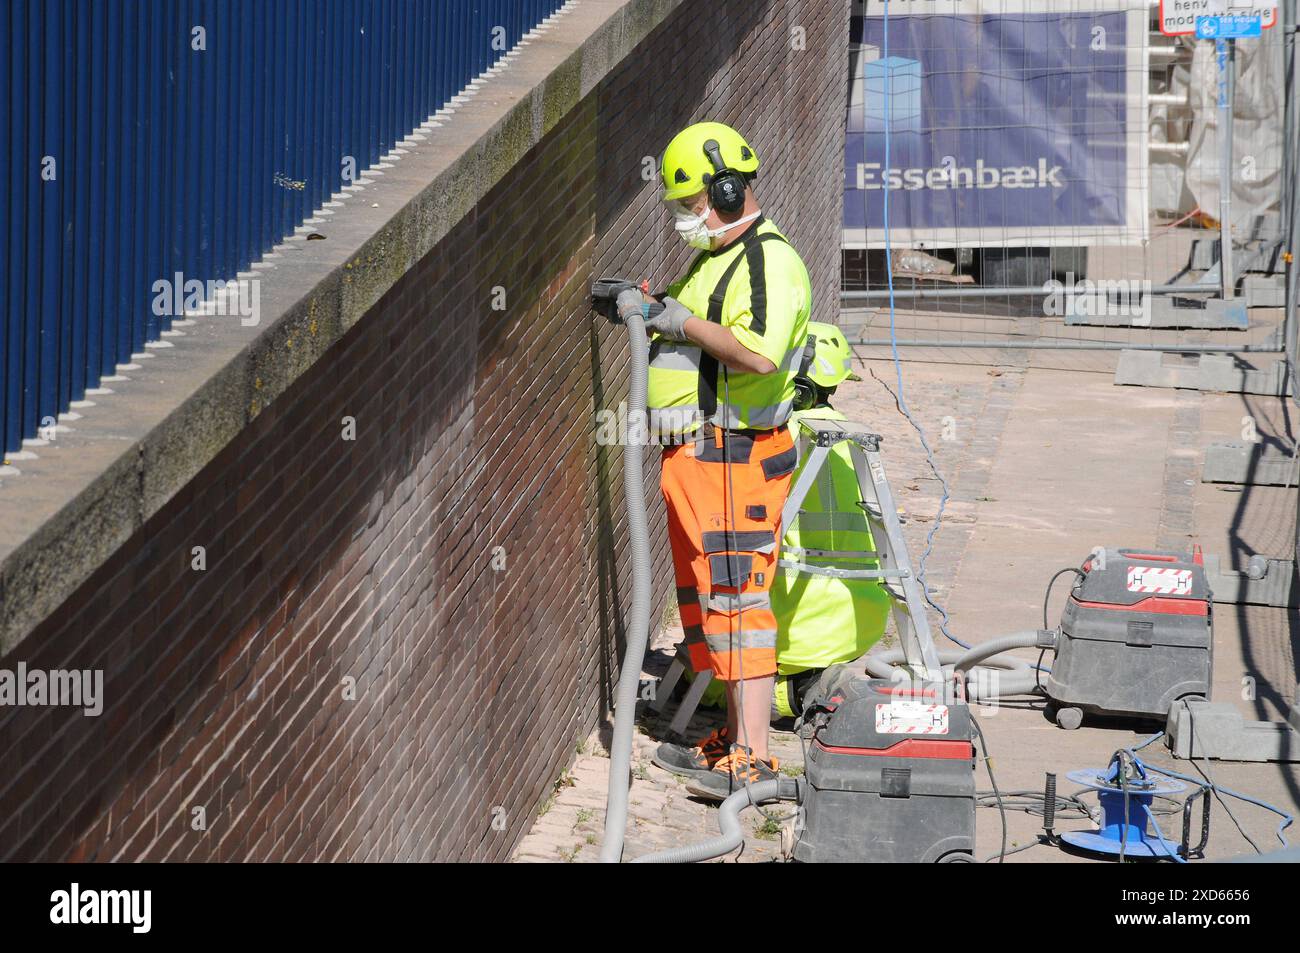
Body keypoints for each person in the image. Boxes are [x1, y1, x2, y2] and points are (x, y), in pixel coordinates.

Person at [617, 121, 810, 801]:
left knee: (741, 603)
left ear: (728, 190)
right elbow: (695, 324)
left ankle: (755, 759)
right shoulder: (717, 258)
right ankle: (733, 740)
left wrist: (674, 319)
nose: (685, 217)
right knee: (712, 605)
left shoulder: (768, 260)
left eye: (692, 201)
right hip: (701, 458)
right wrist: (656, 306)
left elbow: (755, 352)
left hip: (737, 459)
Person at [768, 322, 891, 722]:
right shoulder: (853, 440)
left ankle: (803, 691)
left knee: (724, 684)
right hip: (861, 623)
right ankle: (815, 684)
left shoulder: (779, 437)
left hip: (796, 627)